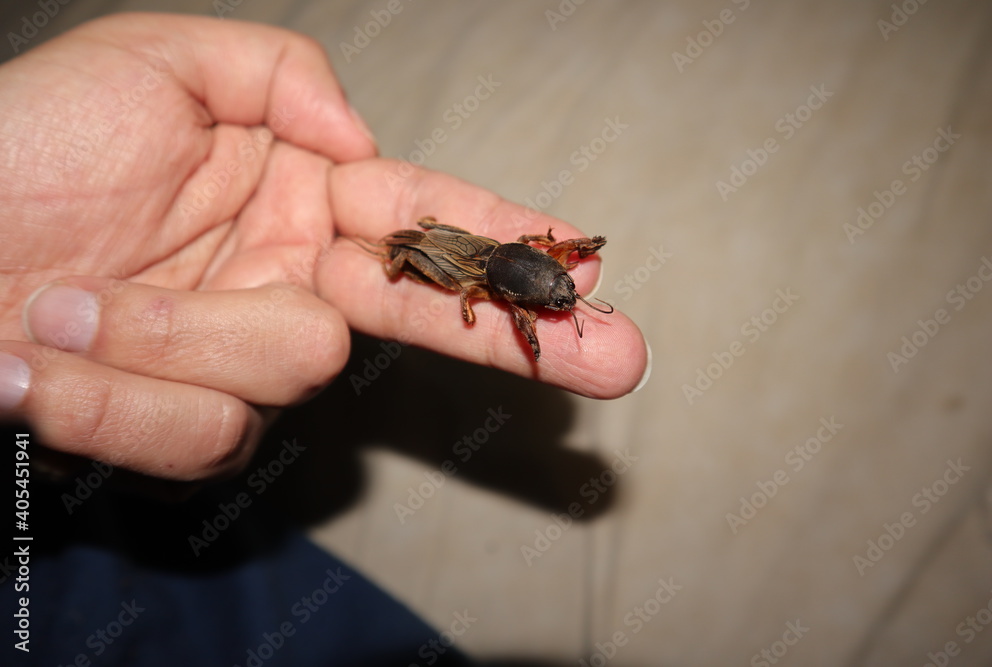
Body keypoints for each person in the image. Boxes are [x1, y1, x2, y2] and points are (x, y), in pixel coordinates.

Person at [0, 13, 647, 666]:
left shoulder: (521, 276)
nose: (567, 288)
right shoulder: (486, 278)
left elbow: (529, 289)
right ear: (532, 278)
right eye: (561, 281)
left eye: (562, 281)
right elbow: (495, 292)